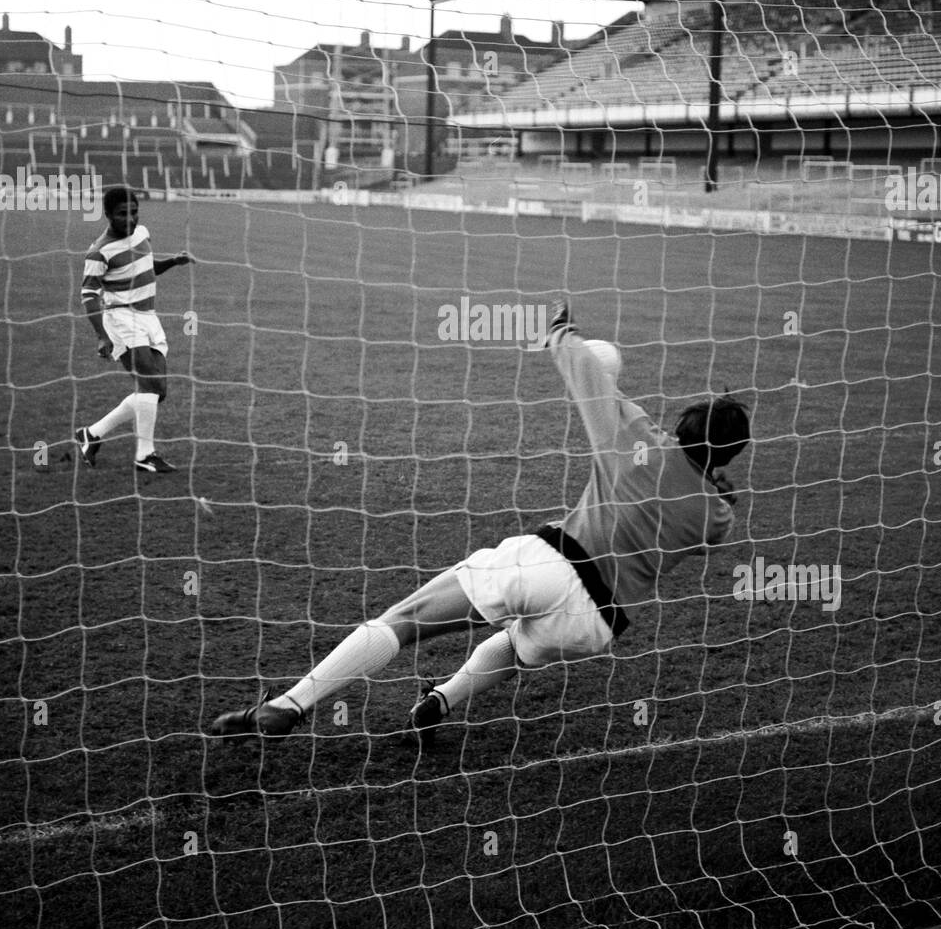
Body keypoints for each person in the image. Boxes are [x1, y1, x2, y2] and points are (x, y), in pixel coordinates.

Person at [211, 302, 750, 744]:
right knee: (515, 647)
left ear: (679, 426)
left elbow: (591, 381)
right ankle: (441, 700)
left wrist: (563, 332)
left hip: (553, 566)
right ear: (730, 457)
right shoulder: (714, 515)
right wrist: (709, 484)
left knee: (406, 619)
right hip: (596, 625)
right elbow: (709, 524)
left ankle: (288, 705)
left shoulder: (632, 442)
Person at [75, 184, 193, 474]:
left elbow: (144, 266)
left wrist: (172, 263)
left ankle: (91, 434)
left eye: (134, 212)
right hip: (122, 320)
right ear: (107, 215)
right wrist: (102, 336)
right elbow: (88, 296)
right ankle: (145, 454)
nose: (130, 220)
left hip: (149, 317)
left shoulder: (142, 233)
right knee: (150, 386)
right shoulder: (98, 252)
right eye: (122, 214)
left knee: (157, 392)